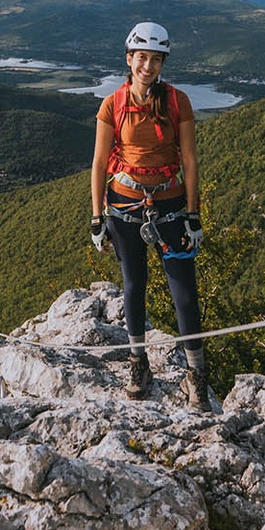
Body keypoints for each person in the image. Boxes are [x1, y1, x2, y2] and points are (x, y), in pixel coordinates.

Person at [91, 21, 208, 406]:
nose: (148, 66)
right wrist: (96, 218)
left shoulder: (177, 102)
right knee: (133, 286)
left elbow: (189, 161)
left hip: (170, 207)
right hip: (124, 207)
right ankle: (138, 363)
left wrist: (193, 212)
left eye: (156, 59)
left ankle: (196, 374)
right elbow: (98, 164)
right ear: (129, 59)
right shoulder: (112, 105)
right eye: (142, 58)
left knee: (184, 294)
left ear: (162, 64)